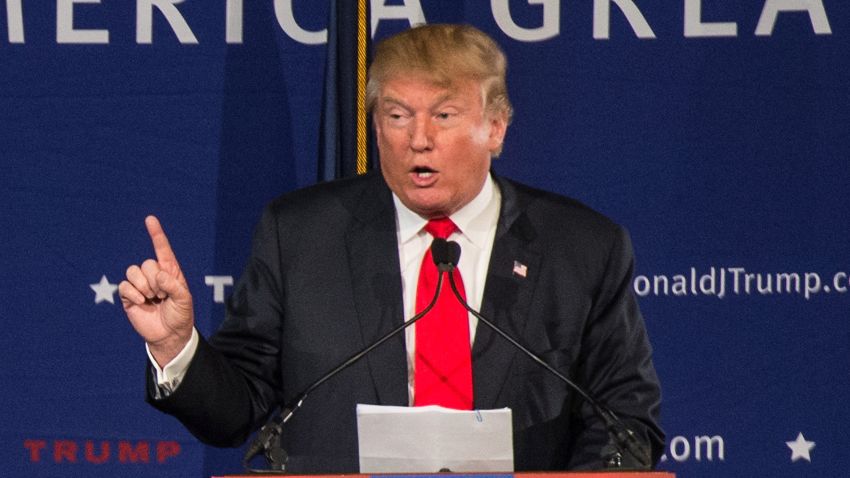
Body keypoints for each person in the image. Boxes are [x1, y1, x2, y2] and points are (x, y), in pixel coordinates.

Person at [120, 23, 663, 472]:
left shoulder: (581, 246)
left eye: (444, 116)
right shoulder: (302, 234)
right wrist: (176, 347)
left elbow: (625, 422)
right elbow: (235, 413)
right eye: (397, 115)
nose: (417, 139)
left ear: (495, 126)